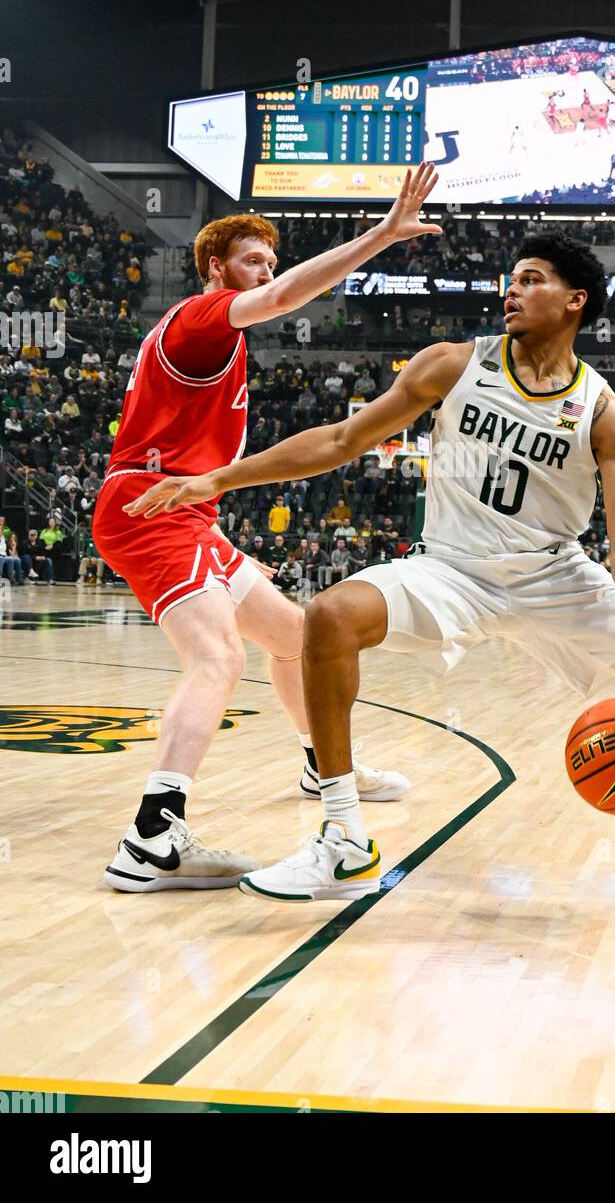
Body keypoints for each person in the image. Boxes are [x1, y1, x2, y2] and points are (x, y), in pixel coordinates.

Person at [128, 229, 615, 905]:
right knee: (329, 616)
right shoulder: (452, 362)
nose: (511, 290)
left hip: (554, 575)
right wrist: (218, 479)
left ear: (574, 302)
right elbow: (345, 438)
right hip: (451, 570)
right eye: (510, 279)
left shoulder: (605, 414)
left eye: (531, 280)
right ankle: (342, 837)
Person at [93, 164, 441, 892]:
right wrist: (380, 234)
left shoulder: (214, 343)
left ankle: (321, 765)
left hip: (185, 511)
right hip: (153, 507)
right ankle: (152, 838)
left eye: (270, 259)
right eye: (252, 260)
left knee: (297, 636)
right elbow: (284, 298)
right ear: (216, 267)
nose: (267, 271)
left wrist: (222, 543)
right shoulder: (199, 318)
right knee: (219, 659)